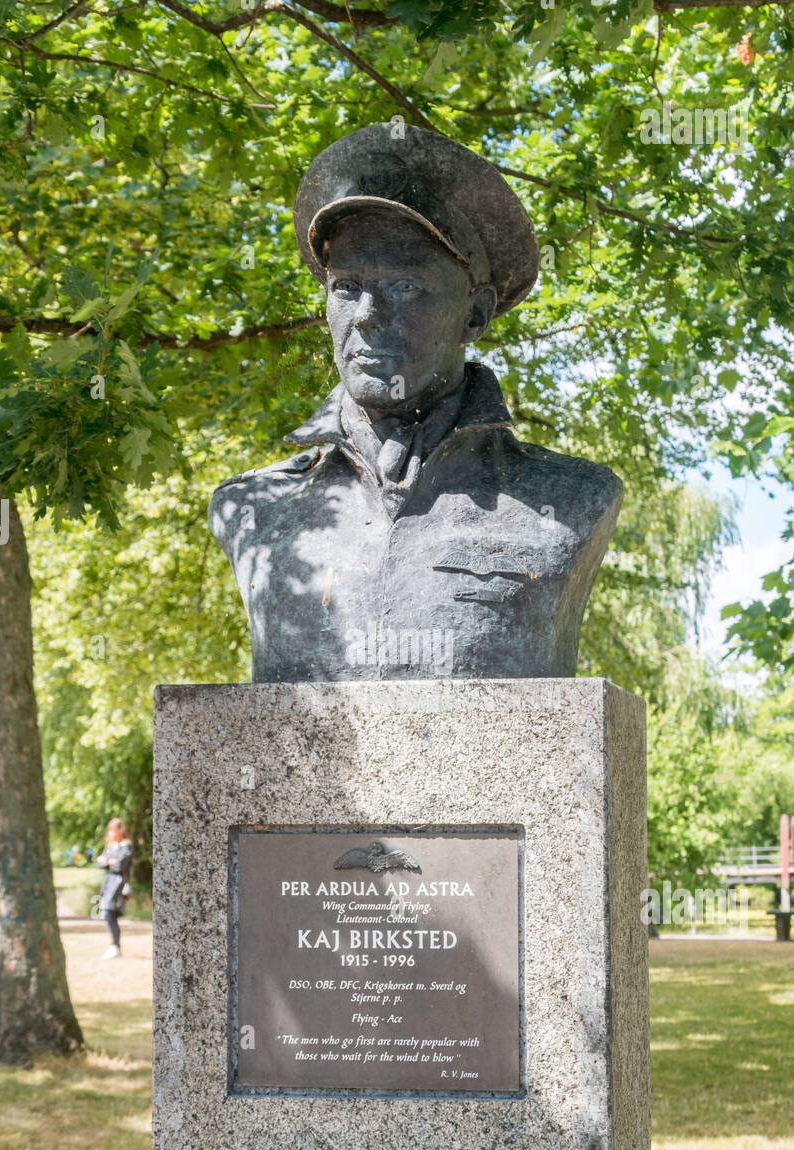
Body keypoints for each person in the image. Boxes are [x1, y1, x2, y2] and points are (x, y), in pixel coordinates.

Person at [209, 121, 622, 683]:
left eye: (404, 286)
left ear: (474, 313)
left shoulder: (571, 500)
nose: (366, 315)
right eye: (346, 287)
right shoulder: (254, 506)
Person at [96, 818, 133, 960]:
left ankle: (115, 946)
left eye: (114, 830)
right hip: (108, 882)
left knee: (110, 913)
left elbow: (120, 865)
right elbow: (100, 862)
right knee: (108, 913)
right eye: (110, 830)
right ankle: (114, 946)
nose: (111, 833)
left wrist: (108, 861)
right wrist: (108, 861)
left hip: (119, 883)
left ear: (120, 830)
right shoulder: (110, 846)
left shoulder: (126, 846)